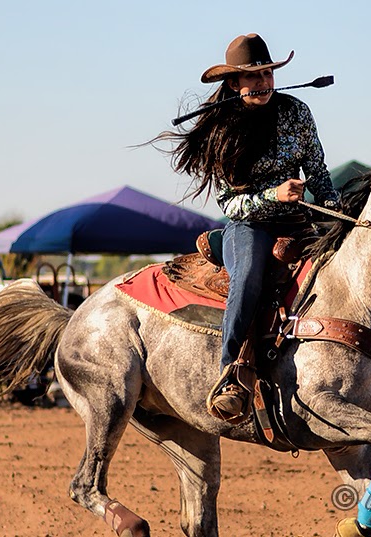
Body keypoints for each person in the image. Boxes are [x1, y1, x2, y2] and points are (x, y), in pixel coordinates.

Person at [155, 33, 340, 419]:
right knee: (250, 277)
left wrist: (335, 214)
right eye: (253, 76)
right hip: (247, 224)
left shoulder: (297, 112)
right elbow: (230, 203)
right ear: (234, 84)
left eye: (267, 73)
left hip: (297, 220)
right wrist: (275, 195)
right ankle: (232, 374)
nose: (263, 82)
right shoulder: (222, 128)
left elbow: (319, 173)